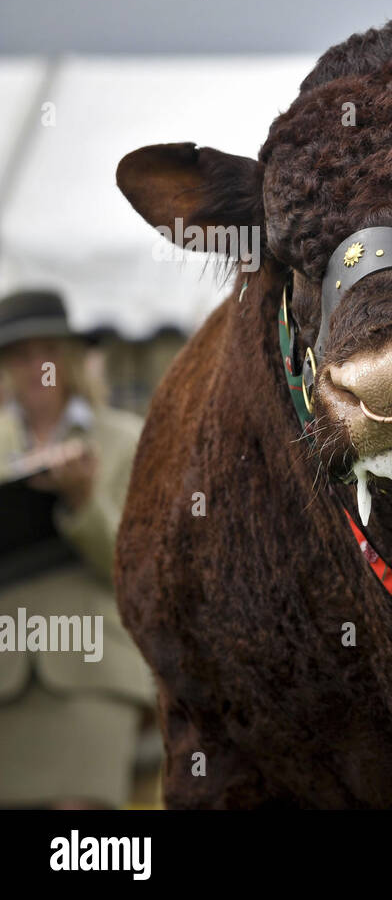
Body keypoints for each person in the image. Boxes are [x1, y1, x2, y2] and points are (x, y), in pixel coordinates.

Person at [0, 289, 155, 808]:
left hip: (93, 667)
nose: (34, 367)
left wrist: (84, 502)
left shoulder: (127, 440)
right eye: (19, 354)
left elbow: (138, 570)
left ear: (68, 358)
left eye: (46, 351)